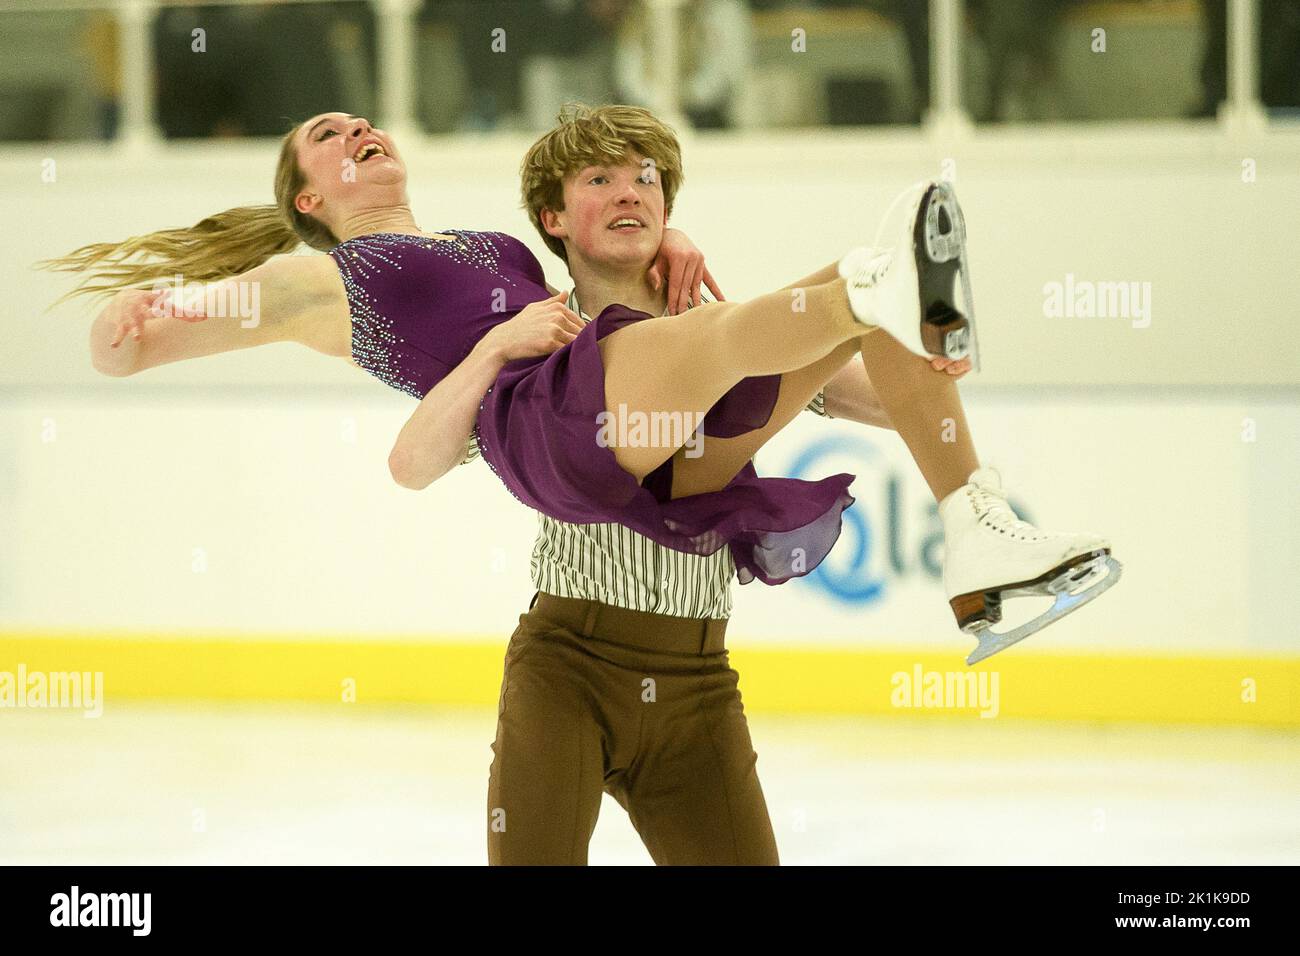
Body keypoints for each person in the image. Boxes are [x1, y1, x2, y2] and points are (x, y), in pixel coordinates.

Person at [38, 104, 1117, 661]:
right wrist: (134, 325)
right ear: (310, 197)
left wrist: (666, 241)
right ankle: (877, 290)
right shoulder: (325, 276)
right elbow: (137, 347)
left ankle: (982, 541)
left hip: (636, 431)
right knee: (842, 294)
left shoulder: (495, 249)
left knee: (850, 305)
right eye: (327, 139)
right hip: (549, 427)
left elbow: (604, 291)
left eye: (359, 122)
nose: (355, 130)